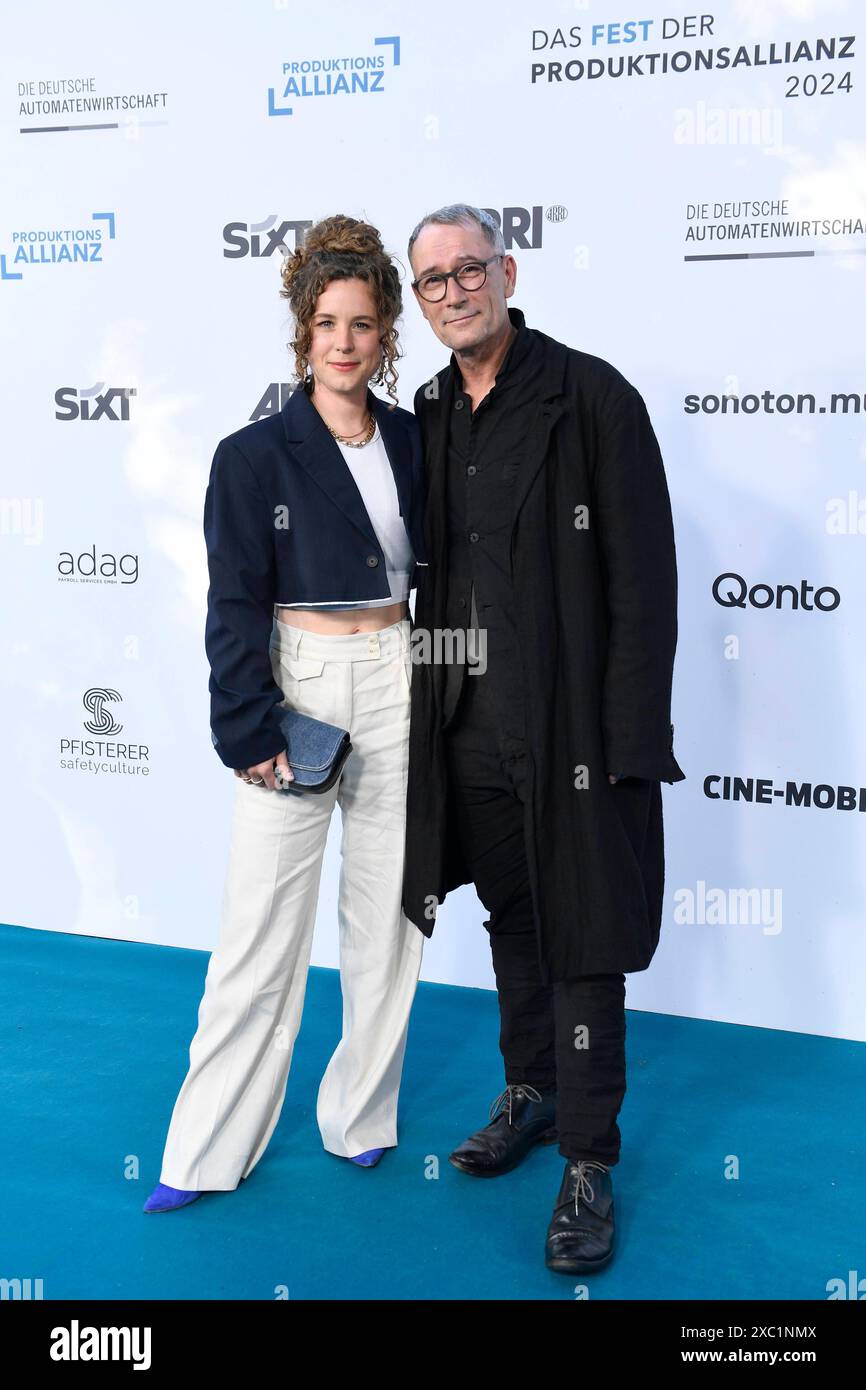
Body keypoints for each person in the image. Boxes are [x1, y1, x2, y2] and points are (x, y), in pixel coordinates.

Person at [401, 203, 685, 1272]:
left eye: (468, 270)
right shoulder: (426, 413)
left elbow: (643, 585)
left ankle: (586, 1161)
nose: (452, 292)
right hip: (467, 729)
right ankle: (524, 1094)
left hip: (571, 731)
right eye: (431, 281)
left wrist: (626, 736)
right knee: (512, 922)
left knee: (582, 938)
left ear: (506, 271)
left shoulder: (591, 397)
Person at [144, 214, 427, 1212]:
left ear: (387, 329)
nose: (343, 342)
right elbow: (231, 604)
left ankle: (362, 1116)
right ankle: (205, 1149)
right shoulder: (253, 454)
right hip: (297, 684)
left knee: (387, 918)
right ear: (300, 335)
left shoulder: (413, 435)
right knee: (260, 927)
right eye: (325, 324)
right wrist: (250, 729)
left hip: (400, 675)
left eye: (361, 323)